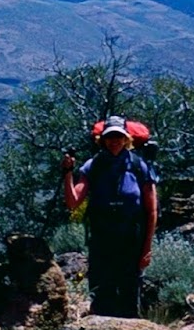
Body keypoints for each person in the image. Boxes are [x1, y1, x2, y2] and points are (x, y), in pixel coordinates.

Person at [61, 115, 158, 317]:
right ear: (102, 140)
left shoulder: (139, 166)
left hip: (131, 239)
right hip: (102, 238)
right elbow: (73, 202)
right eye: (110, 137)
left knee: (129, 292)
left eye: (119, 136)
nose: (114, 141)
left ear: (126, 139)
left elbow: (151, 211)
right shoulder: (93, 166)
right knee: (102, 290)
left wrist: (147, 248)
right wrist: (68, 173)